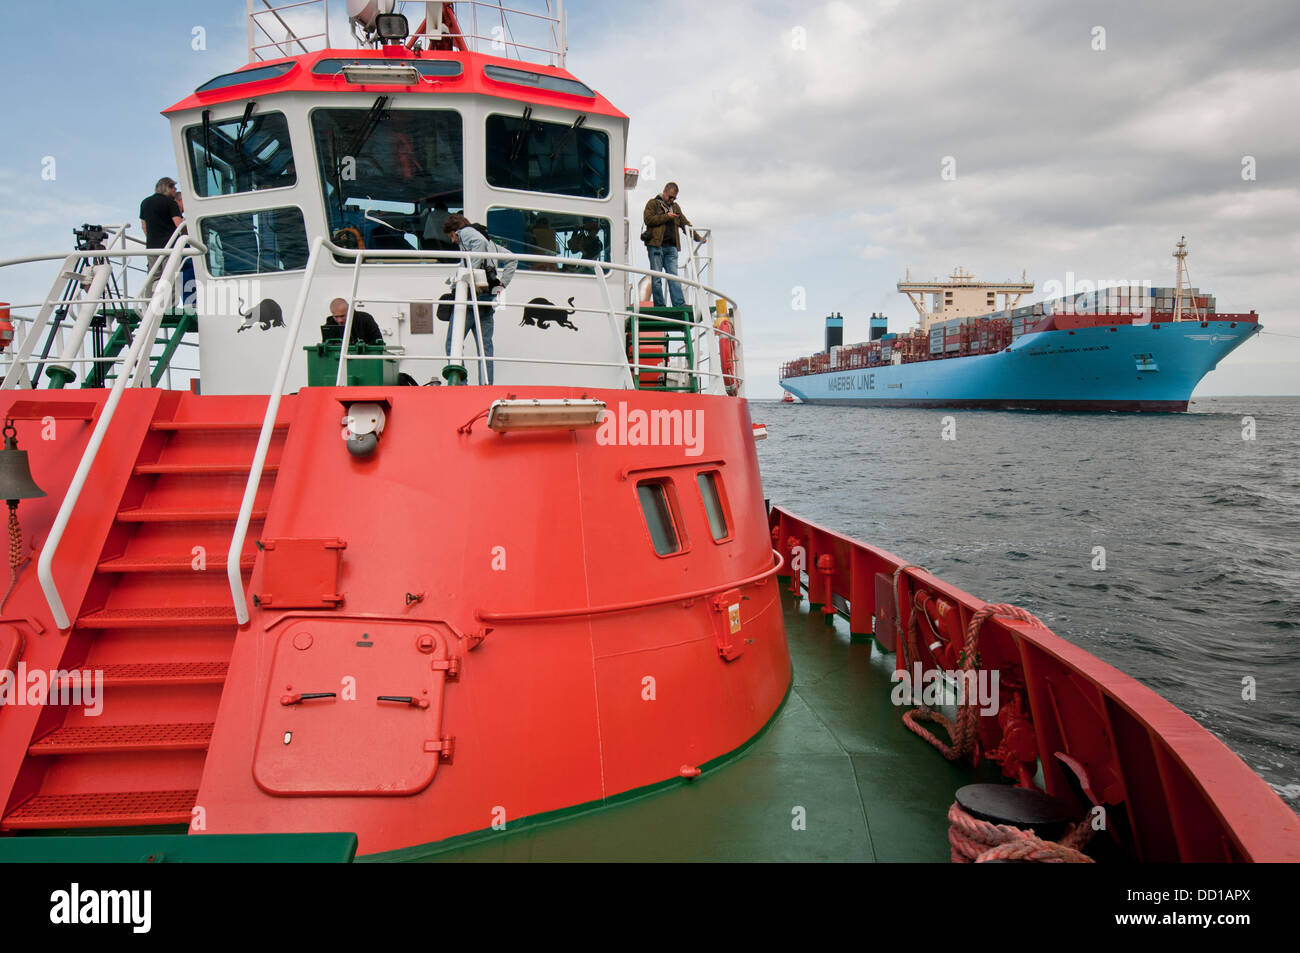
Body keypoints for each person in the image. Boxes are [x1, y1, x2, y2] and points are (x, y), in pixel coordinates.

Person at [442, 213, 516, 385]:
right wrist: (501, 285)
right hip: (487, 298)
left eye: (452, 236)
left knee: (452, 343)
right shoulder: (491, 244)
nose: (453, 241)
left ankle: (461, 385)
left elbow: (478, 243)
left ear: (456, 230)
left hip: (470, 298)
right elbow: (512, 259)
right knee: (485, 348)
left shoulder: (465, 232)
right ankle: (486, 386)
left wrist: (469, 275)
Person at [642, 182, 702, 308]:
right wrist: (666, 217)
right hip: (656, 246)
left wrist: (697, 237)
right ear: (664, 192)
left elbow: (684, 223)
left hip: (672, 248)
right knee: (657, 278)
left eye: (674, 198)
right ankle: (660, 305)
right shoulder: (652, 203)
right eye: (670, 197)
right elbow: (648, 220)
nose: (672, 200)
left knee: (674, 277)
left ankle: (679, 303)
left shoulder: (675, 207)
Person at [139, 177, 184, 304]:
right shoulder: (170, 203)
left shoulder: (145, 202)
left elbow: (144, 226)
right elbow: (178, 224)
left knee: (153, 276)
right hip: (169, 246)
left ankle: (149, 303)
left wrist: (153, 237)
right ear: (167, 187)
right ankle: (171, 305)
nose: (175, 191)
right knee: (170, 276)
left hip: (152, 246)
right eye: (174, 188)